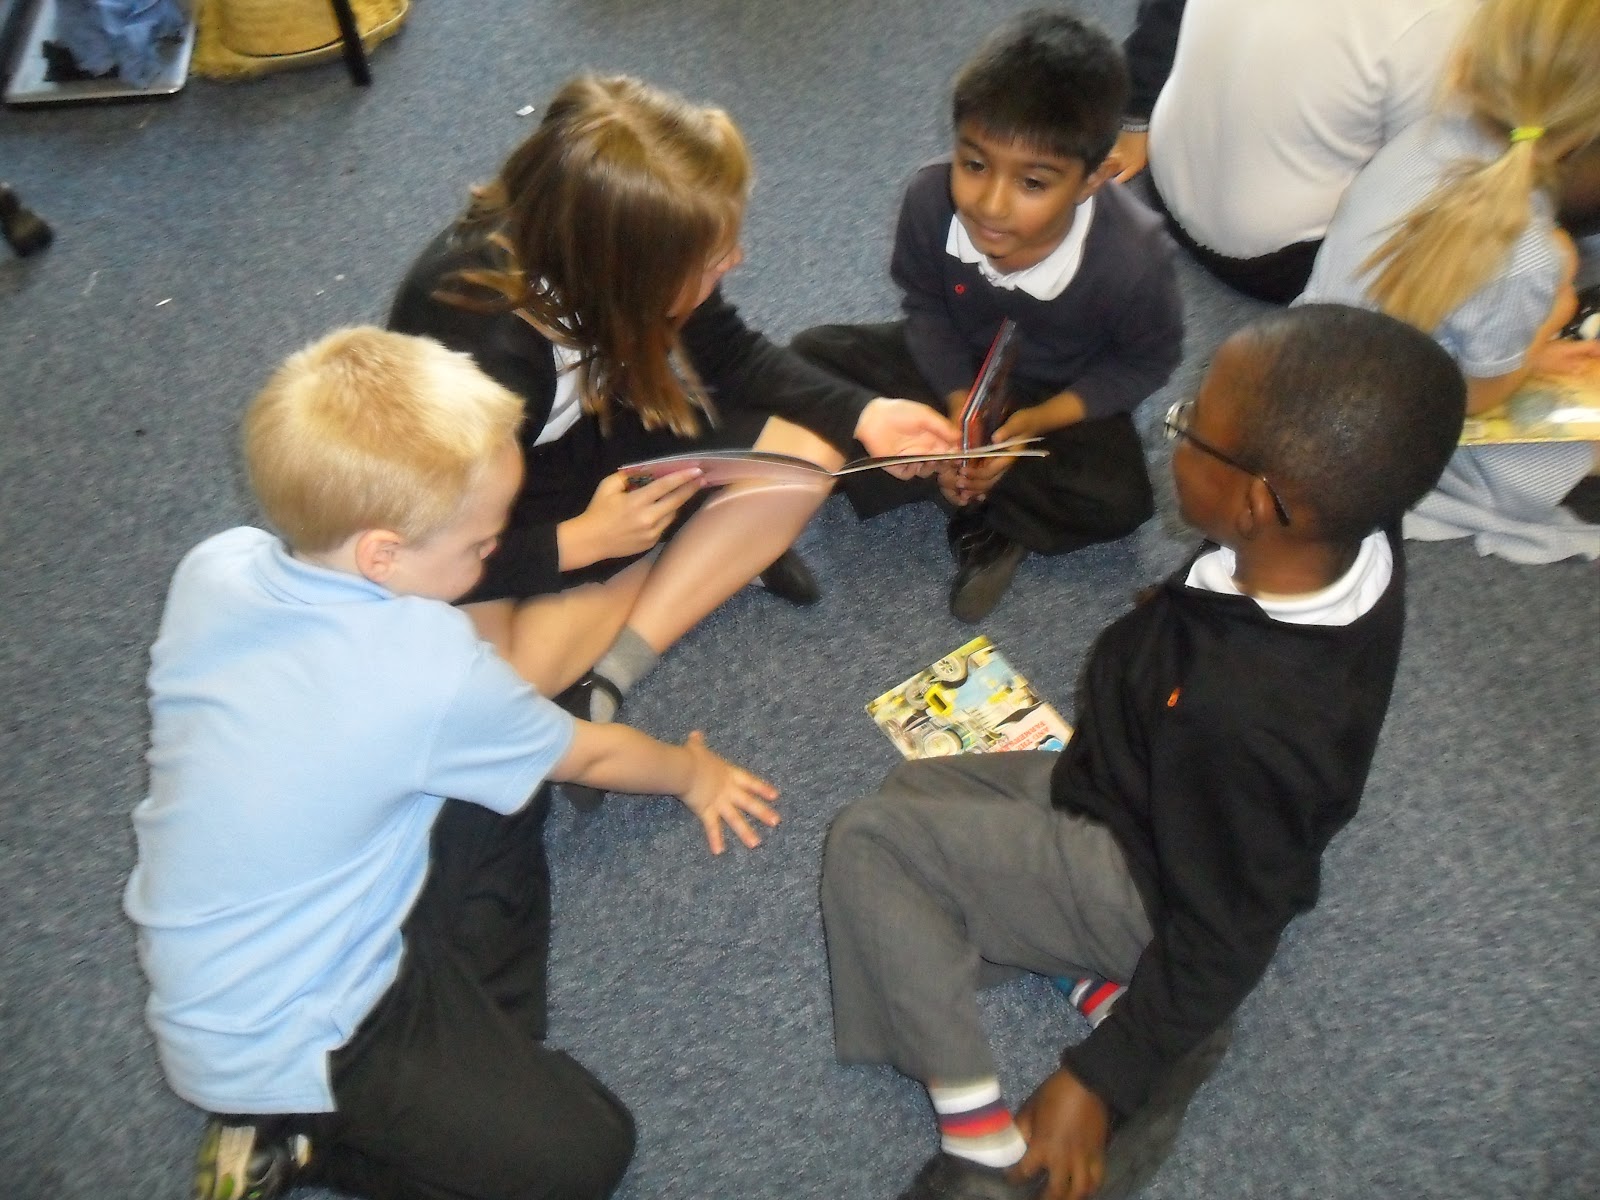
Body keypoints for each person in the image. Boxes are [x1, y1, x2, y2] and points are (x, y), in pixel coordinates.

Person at [819, 304, 1467, 1200]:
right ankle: (1105, 990)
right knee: (912, 792)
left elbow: (1234, 924)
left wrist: (1103, 1079)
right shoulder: (1341, 530)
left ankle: (981, 1146)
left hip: (1151, 880)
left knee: (870, 844)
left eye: (1191, 426)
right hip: (1129, 780)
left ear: (1256, 502)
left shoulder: (1246, 718)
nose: (1177, 428)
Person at [125, 327, 784, 1200]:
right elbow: (591, 752)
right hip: (300, 1041)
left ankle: (467, 1069)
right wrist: (694, 774)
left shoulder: (216, 566)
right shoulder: (427, 672)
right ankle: (301, 1140)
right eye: (479, 546)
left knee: (504, 773)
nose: (491, 557)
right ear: (383, 553)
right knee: (588, 1153)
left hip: (245, 956)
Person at [389, 75, 956, 722]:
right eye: (712, 262)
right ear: (629, 274)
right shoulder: (477, 353)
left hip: (595, 442)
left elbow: (730, 353)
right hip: (485, 510)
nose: (735, 260)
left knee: (812, 455)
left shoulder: (614, 246)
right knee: (496, 687)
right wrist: (582, 542)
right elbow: (419, 544)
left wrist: (865, 413)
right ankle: (695, 552)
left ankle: (616, 667)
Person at [792, 8, 1182, 623]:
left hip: (1057, 396)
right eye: (974, 165)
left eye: (1033, 183)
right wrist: (956, 409)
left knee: (1122, 500)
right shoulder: (930, 198)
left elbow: (1145, 364)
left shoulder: (1135, 258)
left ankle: (958, 493)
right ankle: (972, 497)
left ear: (1093, 179)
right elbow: (925, 307)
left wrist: (1036, 422)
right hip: (953, 366)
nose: (992, 205)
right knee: (811, 360)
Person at [1299, 0, 1600, 563]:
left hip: (1315, 356)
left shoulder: (1428, 134)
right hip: (1386, 429)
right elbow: (1475, 398)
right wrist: (1552, 320)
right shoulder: (1529, 256)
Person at [1103, 0, 1474, 303]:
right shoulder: (1441, 21)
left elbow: (1163, 14)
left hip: (1167, 167)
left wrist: (1136, 116)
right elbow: (1420, 168)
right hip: (1274, 262)